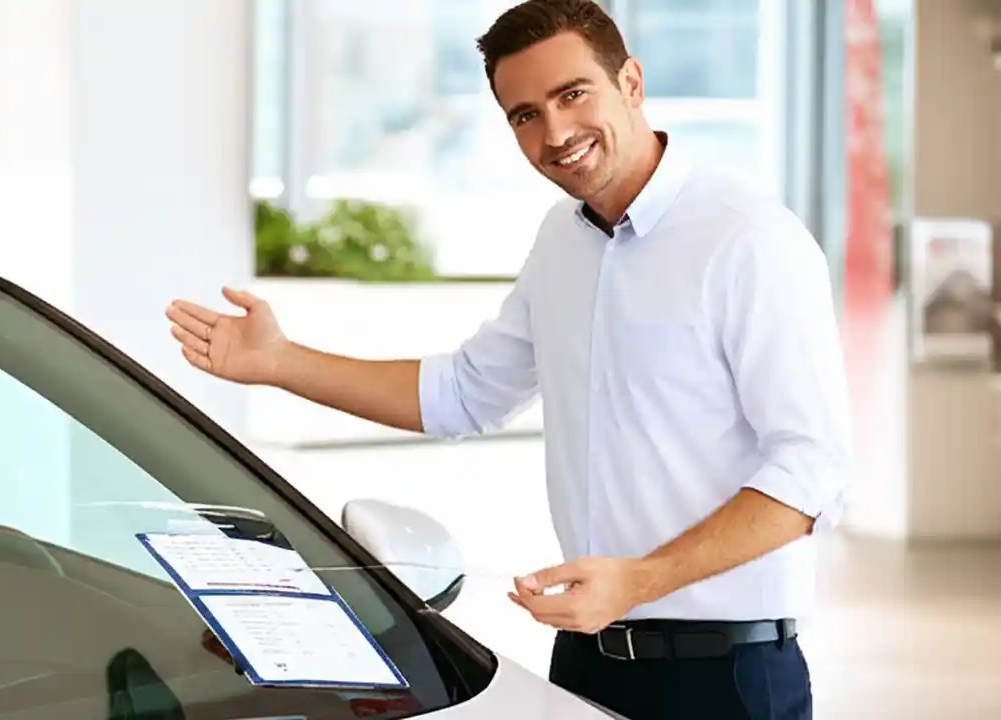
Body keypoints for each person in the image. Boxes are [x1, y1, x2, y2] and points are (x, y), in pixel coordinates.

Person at [165, 1, 851, 717]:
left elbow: (813, 470)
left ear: (633, 82)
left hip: (725, 678)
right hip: (585, 660)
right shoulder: (564, 238)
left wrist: (641, 582)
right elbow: (465, 393)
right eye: (525, 114)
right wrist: (281, 361)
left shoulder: (749, 242)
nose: (555, 133)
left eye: (573, 94)